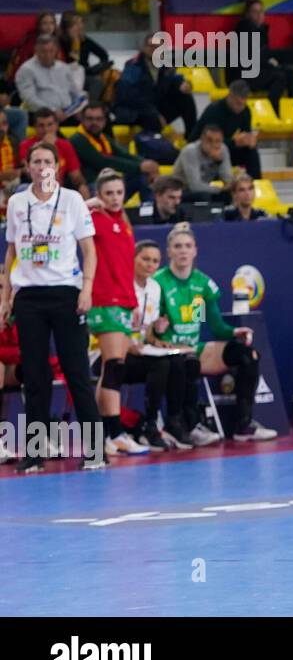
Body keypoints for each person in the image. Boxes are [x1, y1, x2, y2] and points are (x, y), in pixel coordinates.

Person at [0, 142, 104, 472]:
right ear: (27, 166)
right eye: (36, 161)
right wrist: (6, 296)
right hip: (29, 296)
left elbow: (89, 250)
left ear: (57, 166)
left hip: (66, 294)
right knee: (35, 375)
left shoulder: (72, 200)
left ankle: (95, 450)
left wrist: (86, 288)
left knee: (76, 372)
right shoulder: (17, 202)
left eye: (48, 161)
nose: (42, 165)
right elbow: (12, 253)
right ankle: (35, 453)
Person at [151, 224, 274, 443]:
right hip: (169, 352)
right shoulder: (158, 282)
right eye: (177, 246)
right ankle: (188, 425)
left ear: (195, 250)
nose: (183, 251)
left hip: (194, 347)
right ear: (168, 251)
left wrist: (234, 331)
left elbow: (215, 326)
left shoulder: (202, 283)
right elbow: (149, 325)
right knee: (188, 362)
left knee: (247, 355)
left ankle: (243, 425)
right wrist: (156, 328)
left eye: (187, 246)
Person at [84, 169, 151, 456]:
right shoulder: (95, 219)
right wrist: (88, 204)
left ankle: (109, 436)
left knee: (114, 370)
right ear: (100, 193)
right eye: (108, 193)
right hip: (103, 299)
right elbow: (64, 218)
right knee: (113, 367)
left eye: (118, 193)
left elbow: (124, 265)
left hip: (122, 300)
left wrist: (133, 301)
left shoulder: (123, 223)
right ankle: (114, 434)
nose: (114, 198)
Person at [122, 240, 193, 453]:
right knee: (161, 365)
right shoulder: (122, 283)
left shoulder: (154, 287)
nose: (150, 265)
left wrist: (157, 339)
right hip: (113, 353)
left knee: (179, 362)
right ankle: (150, 426)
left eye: (155, 261)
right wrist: (128, 345)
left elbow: (148, 331)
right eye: (145, 259)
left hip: (143, 351)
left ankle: (173, 421)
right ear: (133, 259)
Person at [70, 101, 159, 203]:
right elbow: (102, 162)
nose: (94, 122)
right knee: (139, 171)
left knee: (142, 175)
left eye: (99, 119)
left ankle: (149, 211)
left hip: (109, 182)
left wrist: (145, 163)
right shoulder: (78, 139)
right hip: (91, 186)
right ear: (82, 119)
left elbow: (123, 154)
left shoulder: (103, 137)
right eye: (90, 119)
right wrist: (139, 166)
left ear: (105, 120)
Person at [113, 35, 197, 135]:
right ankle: (154, 145)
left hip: (155, 106)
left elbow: (174, 79)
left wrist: (183, 84)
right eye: (151, 46)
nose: (154, 50)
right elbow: (130, 95)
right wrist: (154, 113)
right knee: (153, 119)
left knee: (185, 97)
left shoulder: (165, 64)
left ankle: (191, 137)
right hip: (135, 110)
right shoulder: (133, 66)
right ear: (144, 48)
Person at [234, 0, 293, 110]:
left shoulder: (261, 30)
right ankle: (273, 109)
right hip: (246, 74)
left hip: (260, 70)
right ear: (247, 14)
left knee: (292, 74)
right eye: (255, 12)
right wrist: (272, 63)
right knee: (280, 76)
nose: (259, 15)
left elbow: (264, 55)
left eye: (261, 11)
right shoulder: (244, 30)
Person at [193, 80, 260, 179]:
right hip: (203, 149)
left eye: (243, 104)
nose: (241, 107)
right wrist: (234, 142)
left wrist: (249, 140)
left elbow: (246, 133)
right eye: (238, 103)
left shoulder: (245, 111)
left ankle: (254, 184)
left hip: (226, 147)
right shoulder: (214, 110)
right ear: (230, 96)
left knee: (251, 152)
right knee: (217, 152)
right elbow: (209, 142)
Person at [19, 108, 89, 198]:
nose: (46, 129)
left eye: (50, 125)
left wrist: (81, 185)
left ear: (56, 125)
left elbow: (76, 175)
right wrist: (47, 146)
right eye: (41, 125)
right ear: (35, 127)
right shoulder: (26, 145)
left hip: (60, 189)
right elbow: (30, 173)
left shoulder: (65, 145)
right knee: (22, 188)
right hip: (35, 188)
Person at [15, 34, 84, 120]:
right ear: (36, 50)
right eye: (43, 51)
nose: (48, 55)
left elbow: (75, 93)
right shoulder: (26, 70)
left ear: (56, 50)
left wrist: (79, 107)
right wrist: (52, 110)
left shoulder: (64, 68)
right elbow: (29, 99)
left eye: (51, 51)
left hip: (69, 113)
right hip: (42, 116)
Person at [59, 12, 114, 103]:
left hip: (85, 73)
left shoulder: (84, 40)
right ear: (67, 27)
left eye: (81, 22)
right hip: (67, 76)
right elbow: (71, 64)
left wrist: (98, 68)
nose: (79, 26)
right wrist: (75, 43)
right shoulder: (61, 42)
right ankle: (89, 109)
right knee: (95, 82)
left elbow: (103, 54)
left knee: (111, 77)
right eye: (75, 24)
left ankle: (102, 107)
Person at [174, 125, 235, 203]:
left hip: (204, 189)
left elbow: (228, 180)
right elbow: (195, 186)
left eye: (217, 141)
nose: (214, 145)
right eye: (209, 140)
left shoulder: (223, 149)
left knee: (229, 195)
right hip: (181, 191)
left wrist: (219, 162)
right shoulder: (190, 151)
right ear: (202, 139)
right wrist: (220, 189)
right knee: (204, 196)